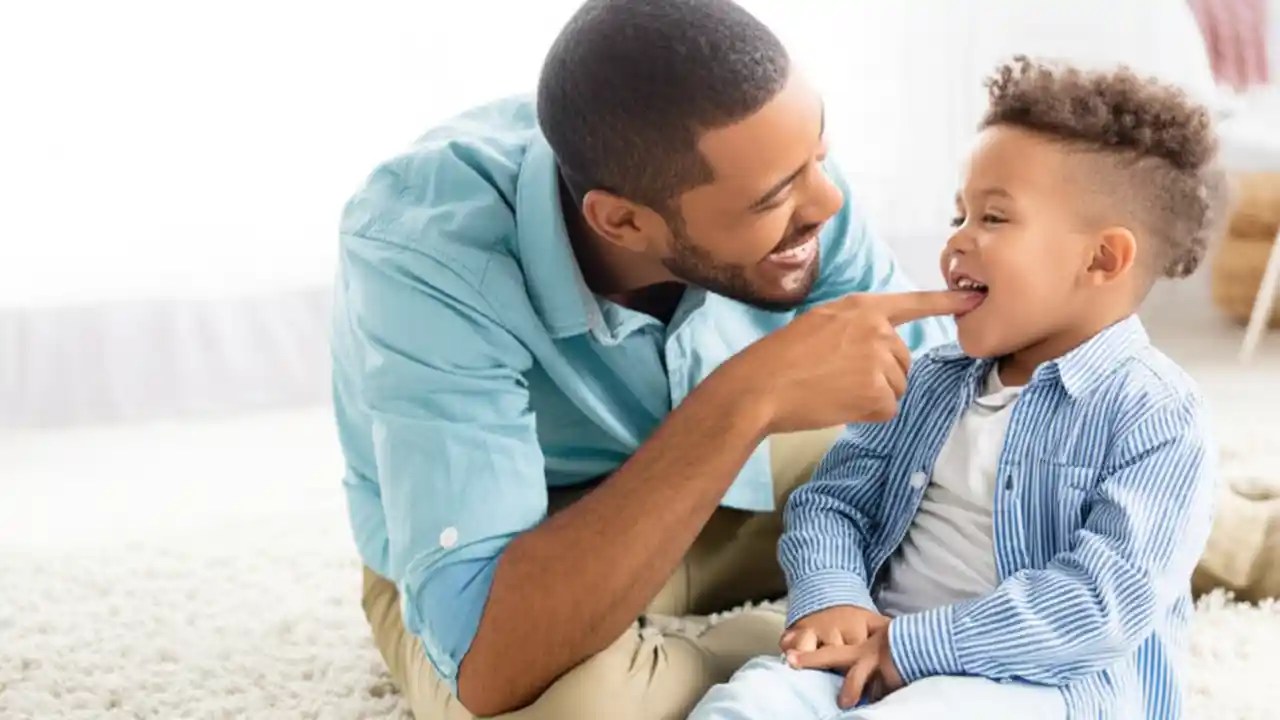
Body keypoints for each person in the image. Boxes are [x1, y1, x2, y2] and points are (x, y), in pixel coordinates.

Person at [330, 0, 976, 717]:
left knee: (981, 512)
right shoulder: (425, 255)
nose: (826, 200)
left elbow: (948, 417)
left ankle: (833, 641)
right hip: (532, 535)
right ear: (623, 221)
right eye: (775, 196)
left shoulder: (777, 166)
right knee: (562, 711)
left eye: (817, 156)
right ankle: (789, 650)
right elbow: (490, 654)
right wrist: (745, 398)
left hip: (749, 480)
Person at [689, 57, 1227, 720]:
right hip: (874, 651)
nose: (957, 243)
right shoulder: (933, 380)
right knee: (749, 701)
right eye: (958, 215)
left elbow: (1100, 602)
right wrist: (833, 598)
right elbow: (834, 503)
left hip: (1042, 688)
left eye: (994, 220)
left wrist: (915, 647)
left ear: (1102, 259)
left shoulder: (1158, 415)